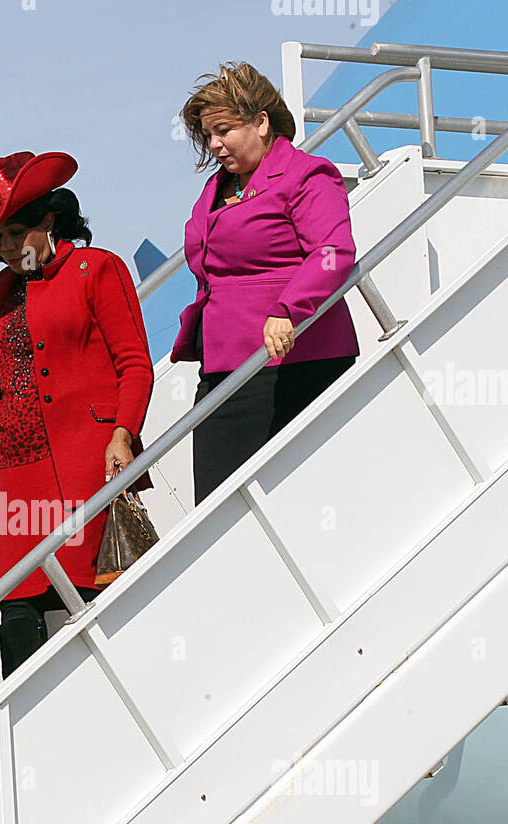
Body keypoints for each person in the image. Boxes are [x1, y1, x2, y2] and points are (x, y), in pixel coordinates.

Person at [0, 152, 155, 678]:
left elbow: (134, 363)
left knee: (92, 597)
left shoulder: (97, 268)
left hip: (87, 467)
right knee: (18, 607)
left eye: (17, 234)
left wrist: (123, 434)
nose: (8, 249)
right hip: (18, 479)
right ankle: (28, 729)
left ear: (48, 221)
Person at [171, 62, 360, 504]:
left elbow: (333, 252)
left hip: (294, 362)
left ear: (260, 122)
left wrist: (287, 309)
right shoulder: (218, 188)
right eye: (207, 135)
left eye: (223, 130)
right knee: (218, 508)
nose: (214, 145)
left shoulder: (307, 174)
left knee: (298, 500)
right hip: (223, 365)